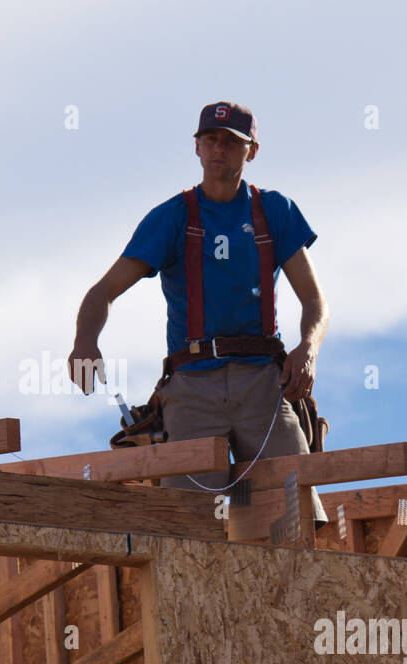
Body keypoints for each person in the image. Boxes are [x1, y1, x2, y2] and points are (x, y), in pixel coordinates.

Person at [68, 102, 329, 525]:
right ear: (196, 147)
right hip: (192, 386)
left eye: (231, 141)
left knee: (292, 510)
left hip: (264, 381)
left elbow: (315, 301)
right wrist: (85, 343)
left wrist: (309, 348)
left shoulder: (275, 211)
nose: (219, 149)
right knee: (190, 524)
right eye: (210, 139)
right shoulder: (172, 218)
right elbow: (102, 292)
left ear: (253, 151)